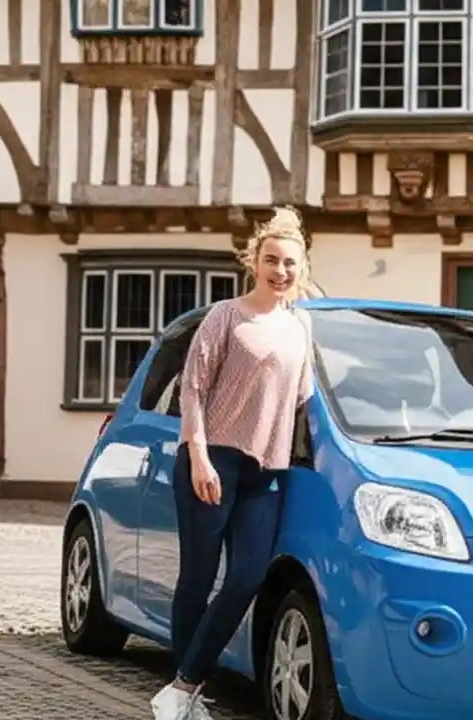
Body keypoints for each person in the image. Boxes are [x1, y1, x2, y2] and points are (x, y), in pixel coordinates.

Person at [151, 207, 317, 720]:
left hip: (266, 467)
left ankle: (182, 685)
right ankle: (186, 696)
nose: (280, 271)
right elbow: (194, 391)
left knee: (246, 577)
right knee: (198, 579)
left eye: (290, 263)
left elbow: (303, 397)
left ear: (301, 268)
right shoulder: (225, 316)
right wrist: (198, 456)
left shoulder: (302, 325)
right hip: (213, 458)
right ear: (254, 262)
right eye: (271, 260)